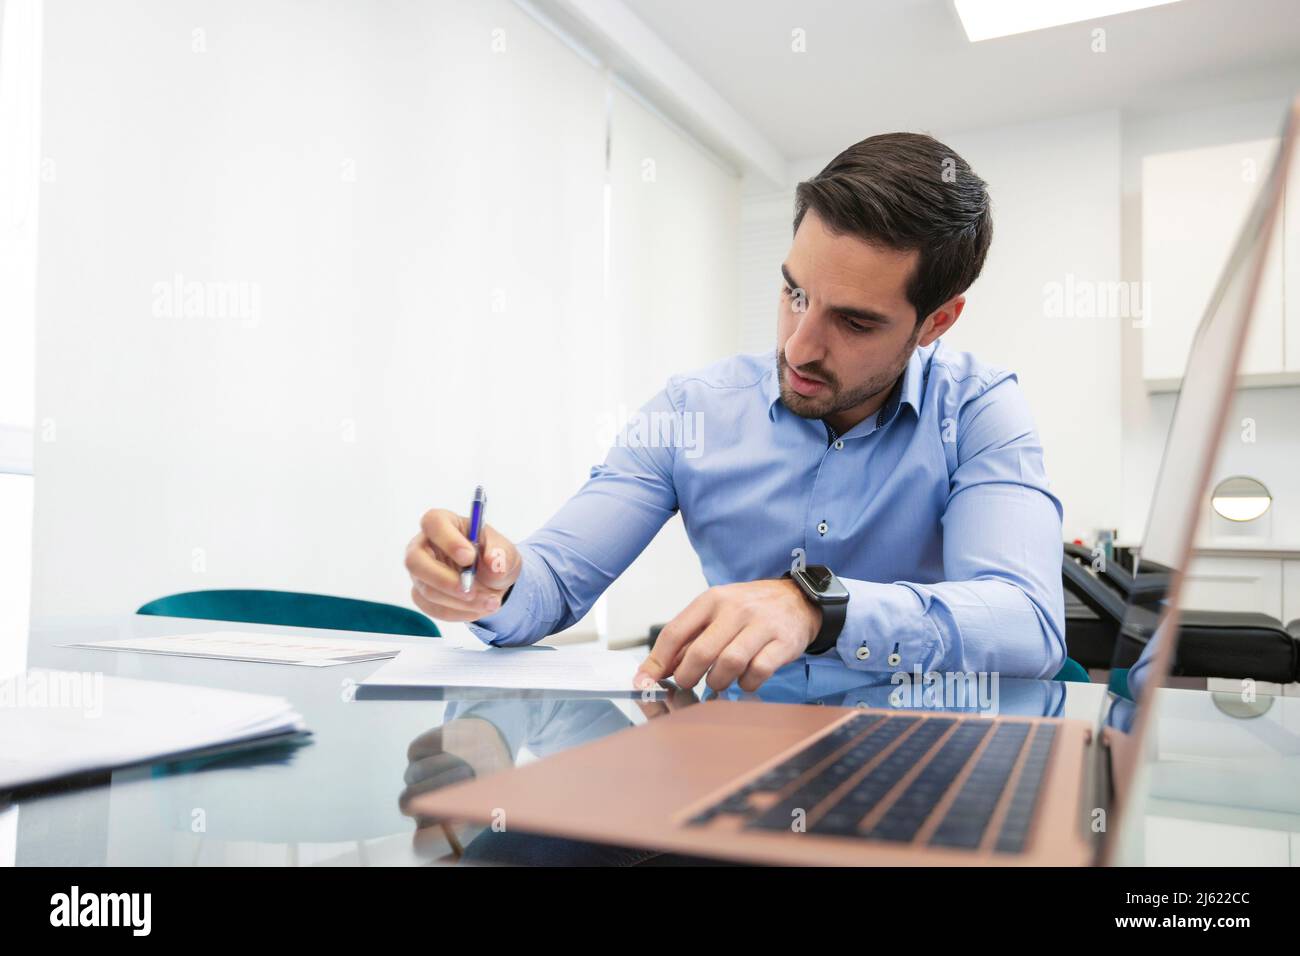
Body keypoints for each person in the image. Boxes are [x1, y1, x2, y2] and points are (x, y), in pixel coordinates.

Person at [404, 132, 1065, 694]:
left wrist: (820, 605)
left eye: (855, 321)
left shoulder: (979, 410)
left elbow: (1029, 624)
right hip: (731, 764)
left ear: (937, 322)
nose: (799, 346)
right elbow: (549, 585)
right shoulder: (693, 411)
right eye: (794, 293)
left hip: (909, 764)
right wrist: (493, 582)